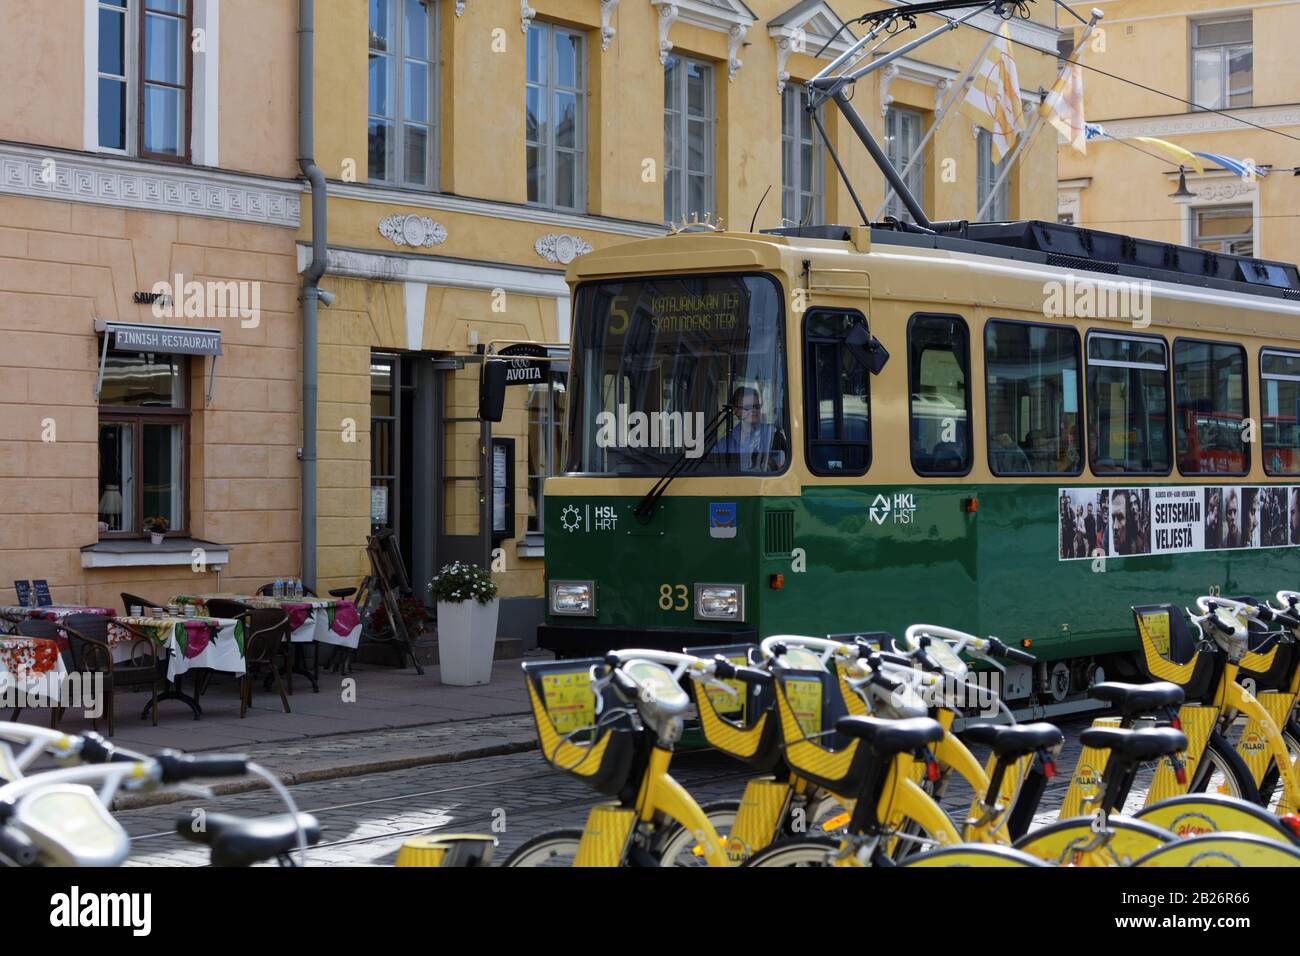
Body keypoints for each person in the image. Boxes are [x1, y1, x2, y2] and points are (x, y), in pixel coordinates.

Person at [717, 386, 784, 472]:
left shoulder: (772, 434)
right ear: (735, 410)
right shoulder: (725, 443)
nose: (754, 410)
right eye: (748, 407)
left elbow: (783, 460)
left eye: (757, 406)